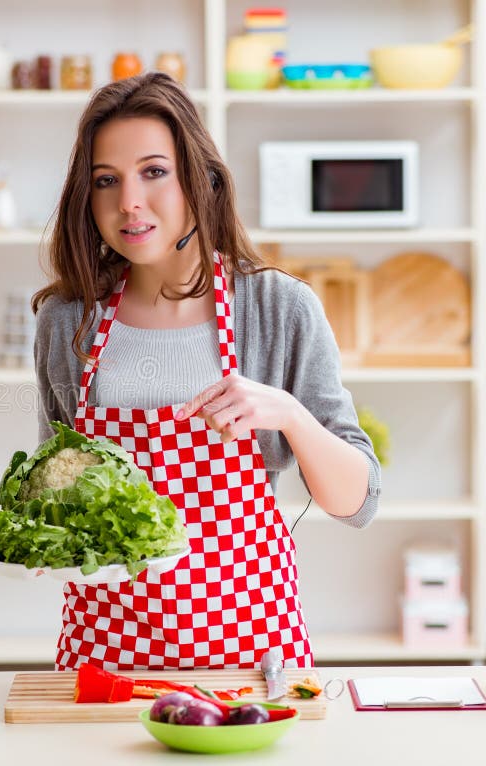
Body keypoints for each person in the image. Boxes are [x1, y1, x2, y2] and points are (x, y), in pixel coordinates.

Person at [32, 72, 381, 671]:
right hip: (107, 653)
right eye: (106, 181)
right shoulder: (69, 321)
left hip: (249, 653)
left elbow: (358, 502)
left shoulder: (279, 309)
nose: (129, 202)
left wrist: (290, 415)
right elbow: (52, 490)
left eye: (154, 171)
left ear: (202, 179)